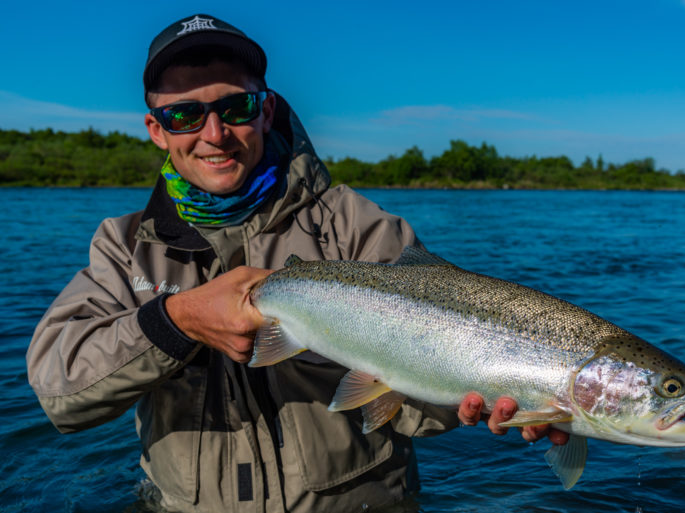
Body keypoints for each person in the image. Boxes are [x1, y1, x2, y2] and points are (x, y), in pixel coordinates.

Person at [27, 14, 566, 513]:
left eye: (235, 108)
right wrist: (177, 321)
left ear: (264, 110)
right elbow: (58, 391)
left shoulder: (355, 224)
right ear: (156, 129)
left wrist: (489, 395)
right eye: (185, 115)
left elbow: (416, 411)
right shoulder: (122, 246)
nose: (214, 134)